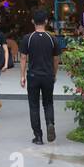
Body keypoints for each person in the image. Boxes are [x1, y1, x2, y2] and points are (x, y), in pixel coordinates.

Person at [19, 9, 60, 144]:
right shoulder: (52, 38)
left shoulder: (28, 38)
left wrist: (22, 76)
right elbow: (56, 59)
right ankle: (50, 124)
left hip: (33, 76)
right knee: (48, 103)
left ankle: (38, 136)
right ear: (46, 22)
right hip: (48, 75)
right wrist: (54, 74)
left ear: (33, 22)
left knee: (34, 105)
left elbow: (23, 58)